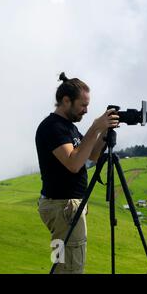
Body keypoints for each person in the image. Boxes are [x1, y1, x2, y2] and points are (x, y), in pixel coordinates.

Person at [35, 73, 119, 274]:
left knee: (62, 263)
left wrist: (103, 133)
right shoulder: (53, 127)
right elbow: (73, 163)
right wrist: (94, 127)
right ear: (66, 101)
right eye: (83, 105)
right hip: (63, 207)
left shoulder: (68, 128)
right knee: (71, 268)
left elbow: (92, 155)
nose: (86, 110)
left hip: (64, 206)